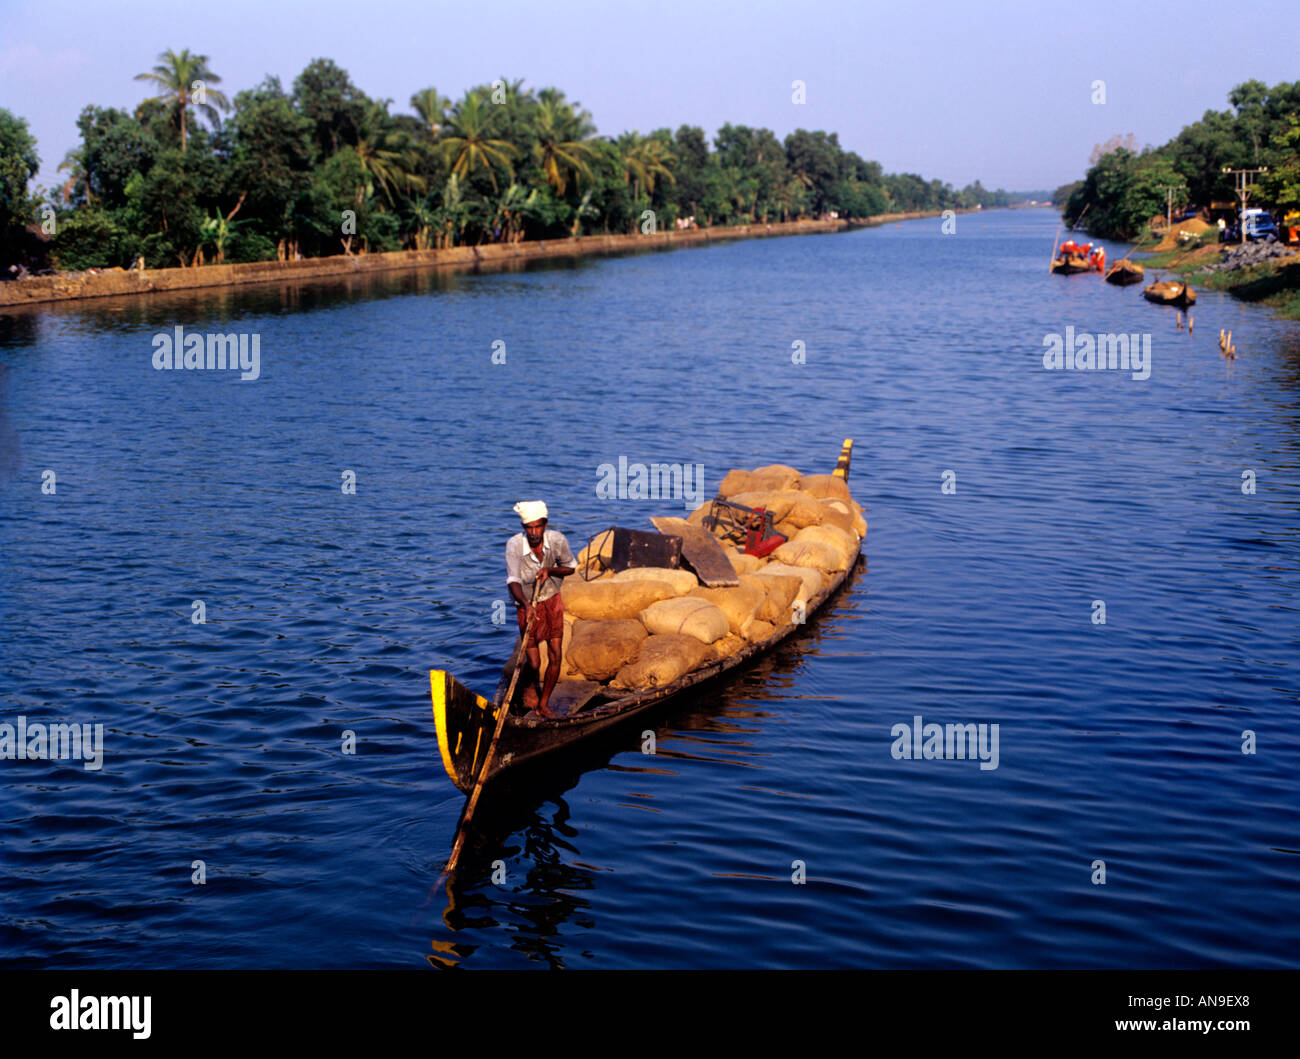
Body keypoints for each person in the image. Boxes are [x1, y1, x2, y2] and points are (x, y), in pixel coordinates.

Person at [506, 501, 576, 718]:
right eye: (529, 528)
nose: (534, 533)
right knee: (534, 662)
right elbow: (513, 581)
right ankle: (528, 686)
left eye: (538, 527)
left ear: (545, 524)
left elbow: (570, 568)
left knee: (556, 654)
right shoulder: (514, 545)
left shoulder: (557, 540)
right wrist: (526, 606)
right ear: (524, 527)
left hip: (552, 601)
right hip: (526, 604)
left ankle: (543, 704)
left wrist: (550, 570)